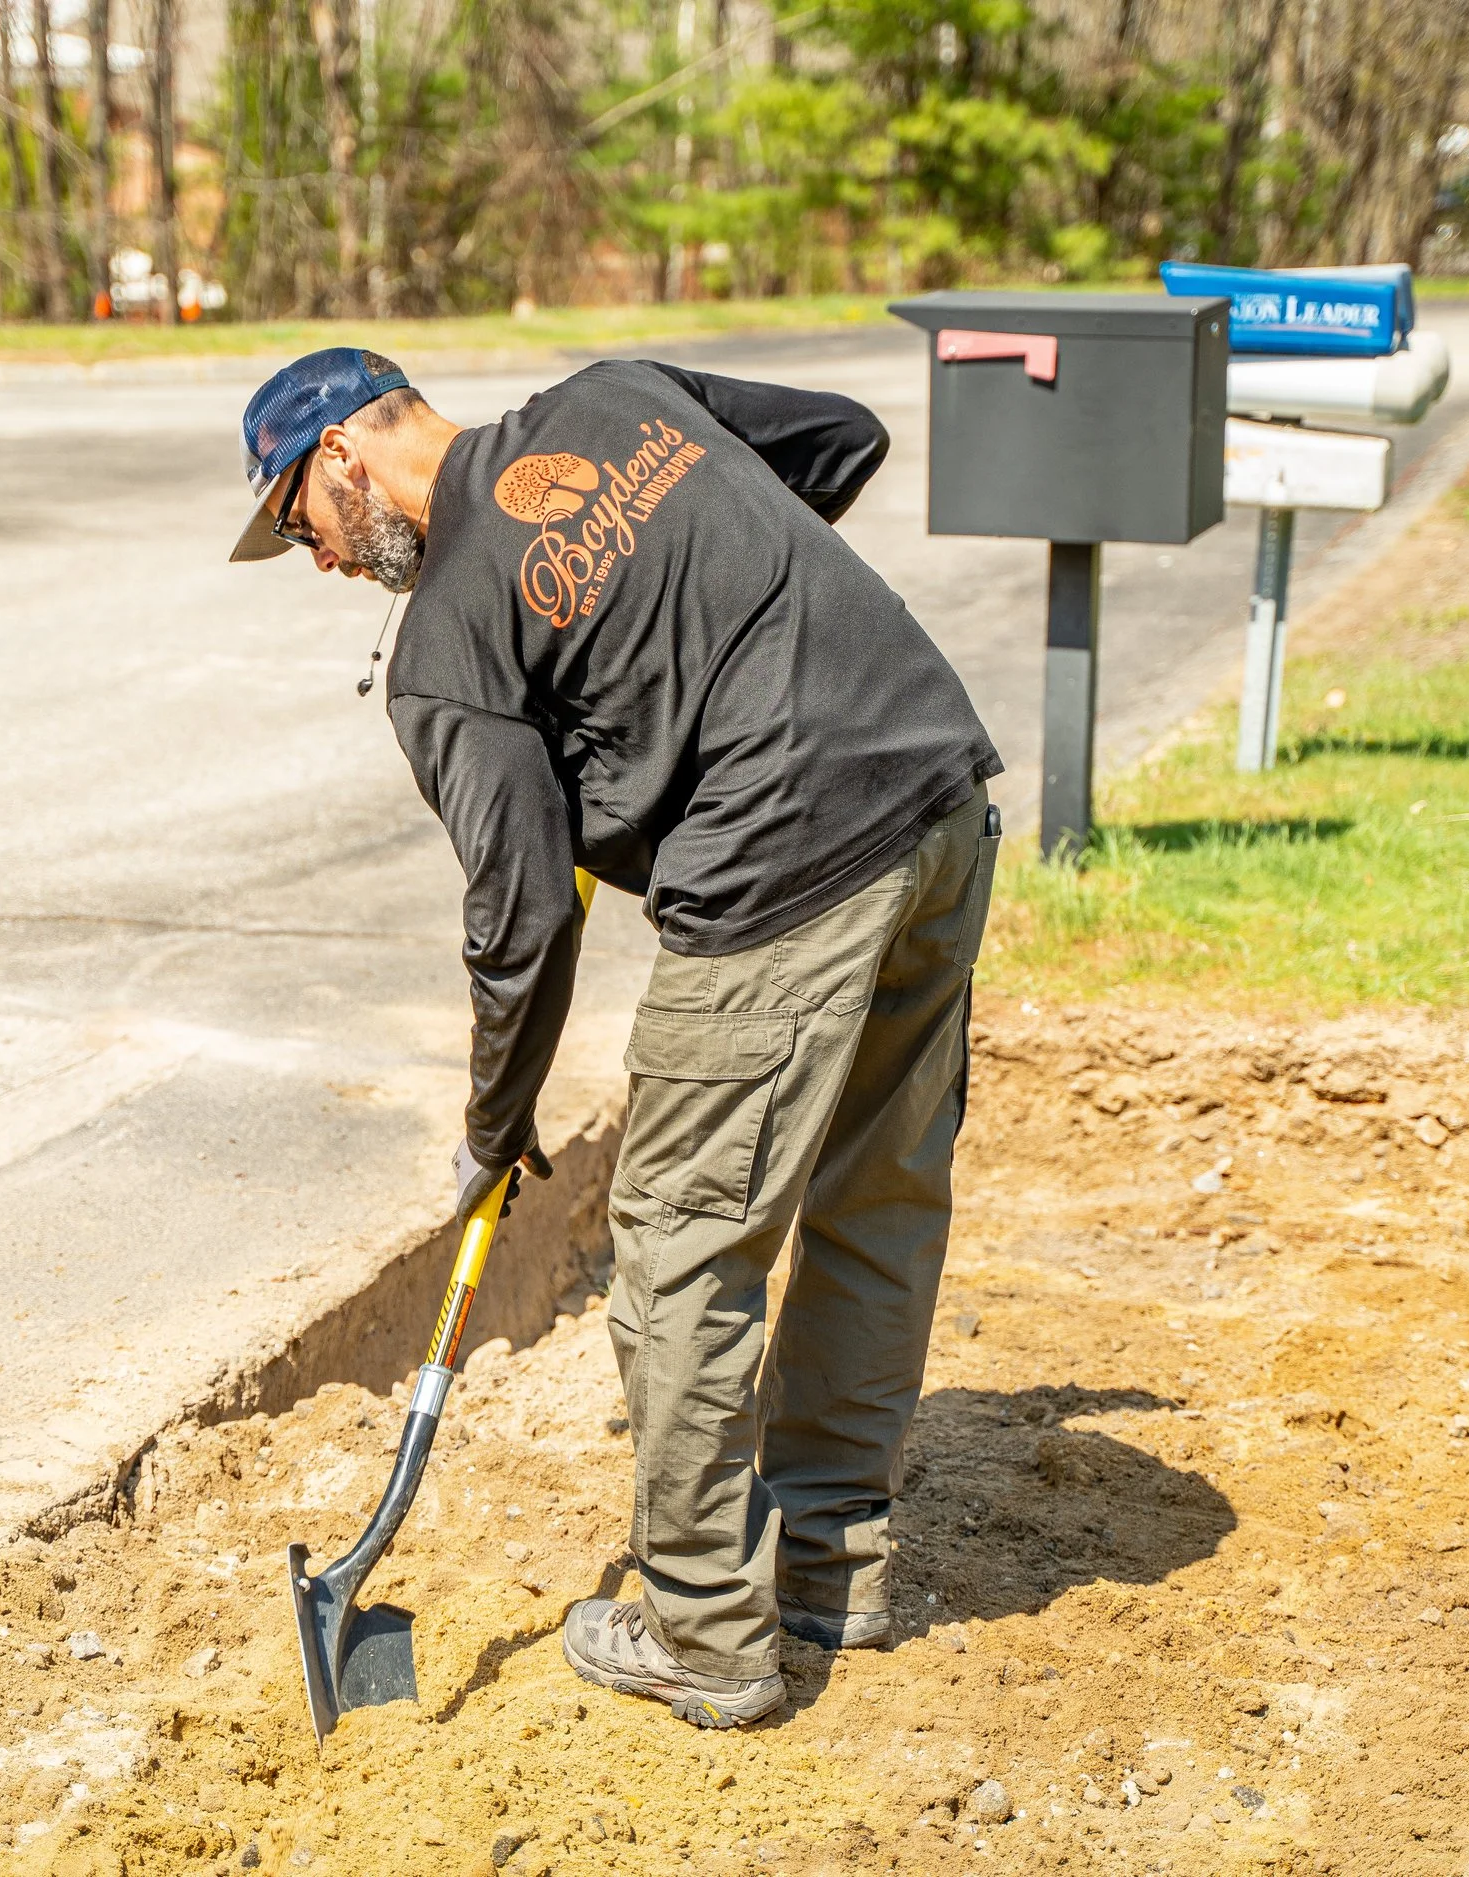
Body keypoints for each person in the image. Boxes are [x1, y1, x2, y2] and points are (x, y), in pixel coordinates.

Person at [231, 346, 1002, 1729]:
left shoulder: (449, 644)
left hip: (785, 867)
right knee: (875, 1198)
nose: (322, 564)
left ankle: (706, 1635)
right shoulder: (623, 396)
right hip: (932, 787)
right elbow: (839, 439)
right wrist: (697, 623)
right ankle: (833, 1570)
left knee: (676, 1249)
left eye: (301, 522)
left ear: (345, 454)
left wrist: (493, 1126)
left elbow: (521, 919)